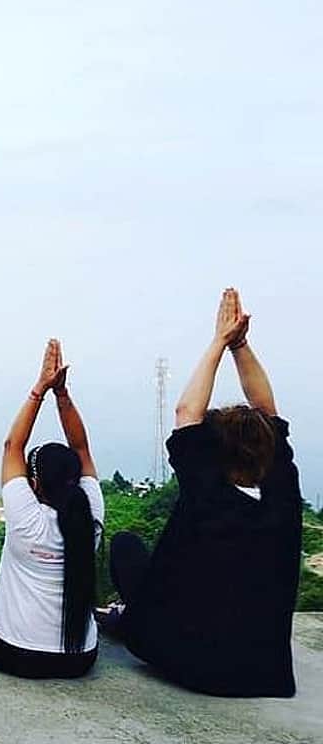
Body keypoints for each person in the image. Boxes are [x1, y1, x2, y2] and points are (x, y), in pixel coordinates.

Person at [103, 288, 302, 697]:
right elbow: (267, 411)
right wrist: (240, 345)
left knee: (126, 546)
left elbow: (185, 414)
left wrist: (219, 342)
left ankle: (128, 620)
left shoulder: (208, 494)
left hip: (191, 664)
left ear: (216, 453)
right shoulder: (282, 497)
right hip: (263, 674)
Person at [0, 339, 104, 679]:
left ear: (34, 484)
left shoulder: (28, 520)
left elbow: (12, 446)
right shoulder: (90, 515)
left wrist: (40, 388)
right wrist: (61, 396)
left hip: (20, 656)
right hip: (81, 658)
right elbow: (80, 446)